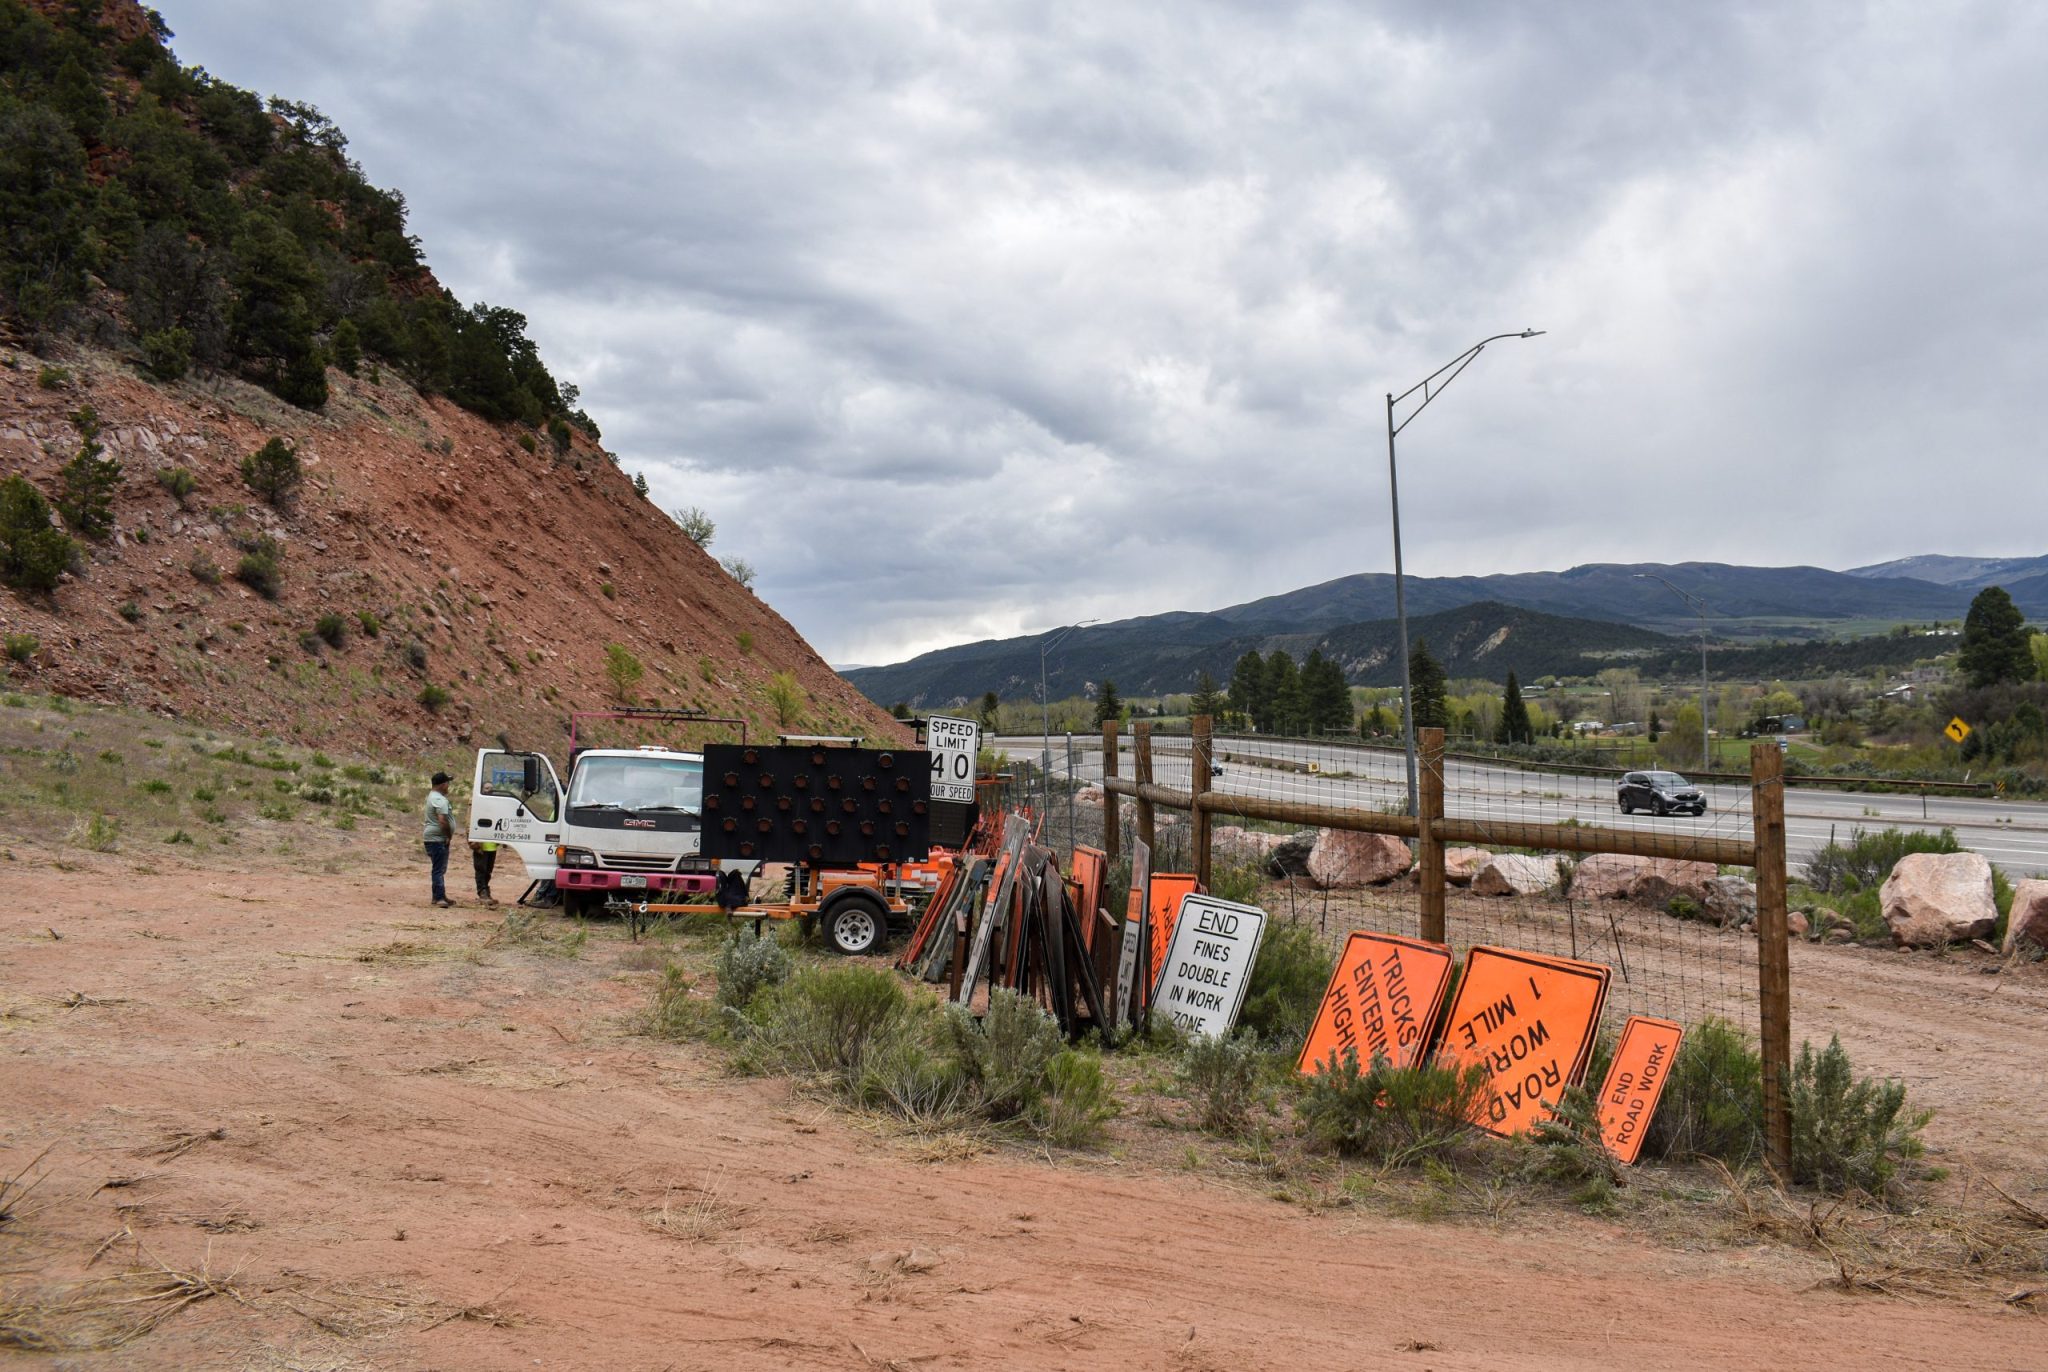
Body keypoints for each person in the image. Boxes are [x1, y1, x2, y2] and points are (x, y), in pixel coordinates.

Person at [423, 770, 455, 908]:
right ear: (442, 784)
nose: (448, 786)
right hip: (437, 839)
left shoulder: (433, 796)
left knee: (439, 868)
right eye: (447, 783)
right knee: (438, 869)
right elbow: (442, 821)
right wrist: (448, 835)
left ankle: (438, 895)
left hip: (434, 838)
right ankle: (440, 897)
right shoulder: (439, 800)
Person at [471, 836, 499, 905]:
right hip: (481, 847)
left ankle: (486, 890)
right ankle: (482, 892)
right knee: (480, 870)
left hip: (492, 846)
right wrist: (473, 843)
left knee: (488, 871)